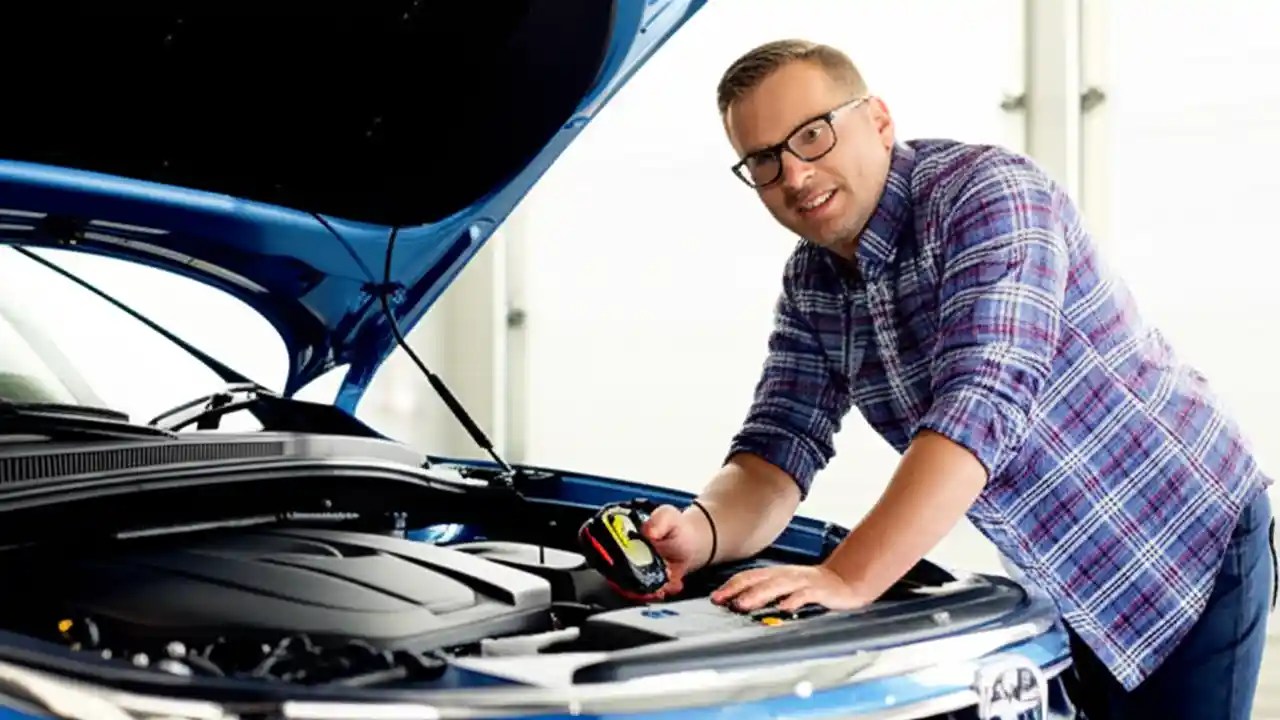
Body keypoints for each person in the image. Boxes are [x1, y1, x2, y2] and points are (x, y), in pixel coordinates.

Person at [638, 39, 1275, 718]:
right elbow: (777, 447)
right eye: (765, 159)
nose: (794, 174)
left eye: (813, 136)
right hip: (1056, 568)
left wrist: (848, 578)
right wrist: (701, 532)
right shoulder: (813, 281)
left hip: (1177, 540)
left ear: (878, 121)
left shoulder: (988, 197)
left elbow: (982, 405)